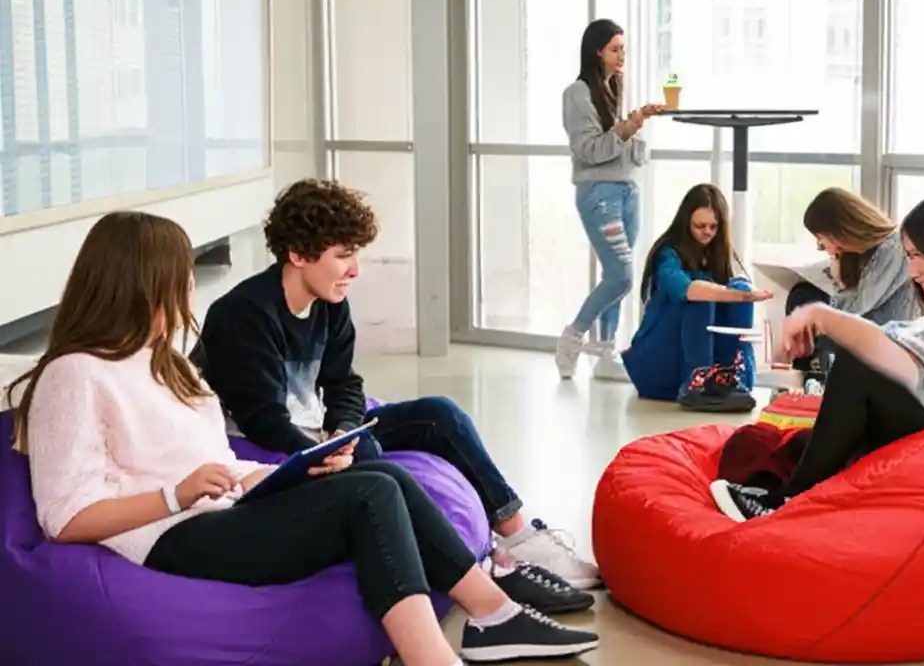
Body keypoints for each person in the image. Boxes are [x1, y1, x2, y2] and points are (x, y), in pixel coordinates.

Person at [6, 212, 599, 666]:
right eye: (179, 281)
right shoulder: (75, 374)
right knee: (369, 495)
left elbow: (215, 458)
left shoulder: (166, 361)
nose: (187, 293)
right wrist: (174, 495)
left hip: (222, 508)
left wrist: (283, 473)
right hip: (172, 536)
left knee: (382, 473)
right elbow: (65, 517)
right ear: (137, 286)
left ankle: (493, 613)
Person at [192, 179, 602, 603]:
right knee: (373, 463)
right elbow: (263, 421)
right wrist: (327, 452)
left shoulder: (331, 303)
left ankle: (518, 538)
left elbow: (344, 383)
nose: (355, 270)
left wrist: (342, 429)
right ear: (297, 254)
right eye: (343, 255)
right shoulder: (244, 314)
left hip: (314, 430)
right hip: (262, 442)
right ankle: (482, 566)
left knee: (438, 414)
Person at [709, 190, 924, 521]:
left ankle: (787, 501)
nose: (912, 271)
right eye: (909, 257)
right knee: (805, 442)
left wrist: (819, 315)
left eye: (918, 256)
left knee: (859, 364)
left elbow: (895, 352)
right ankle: (792, 489)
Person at [556, 18, 664, 381]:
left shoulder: (614, 88)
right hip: (599, 194)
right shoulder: (577, 94)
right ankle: (572, 337)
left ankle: (605, 350)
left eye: (624, 49)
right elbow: (588, 150)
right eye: (615, 49)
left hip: (627, 190)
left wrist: (637, 123)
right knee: (621, 276)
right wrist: (628, 127)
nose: (622, 56)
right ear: (597, 52)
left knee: (614, 275)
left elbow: (629, 152)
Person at [622, 184, 772, 412]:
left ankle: (731, 376)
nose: (707, 232)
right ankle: (698, 379)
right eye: (699, 226)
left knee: (738, 286)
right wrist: (742, 295)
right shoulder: (668, 253)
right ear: (686, 223)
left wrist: (742, 293)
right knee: (703, 292)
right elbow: (686, 289)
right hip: (660, 362)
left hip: (703, 356)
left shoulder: (718, 254)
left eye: (713, 226)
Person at [784, 187, 919, 374]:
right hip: (873, 347)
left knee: (807, 302)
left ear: (840, 231)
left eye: (822, 240)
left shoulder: (893, 247)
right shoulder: (863, 255)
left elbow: (855, 308)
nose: (822, 247)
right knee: (802, 298)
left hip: (891, 350)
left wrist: (836, 278)